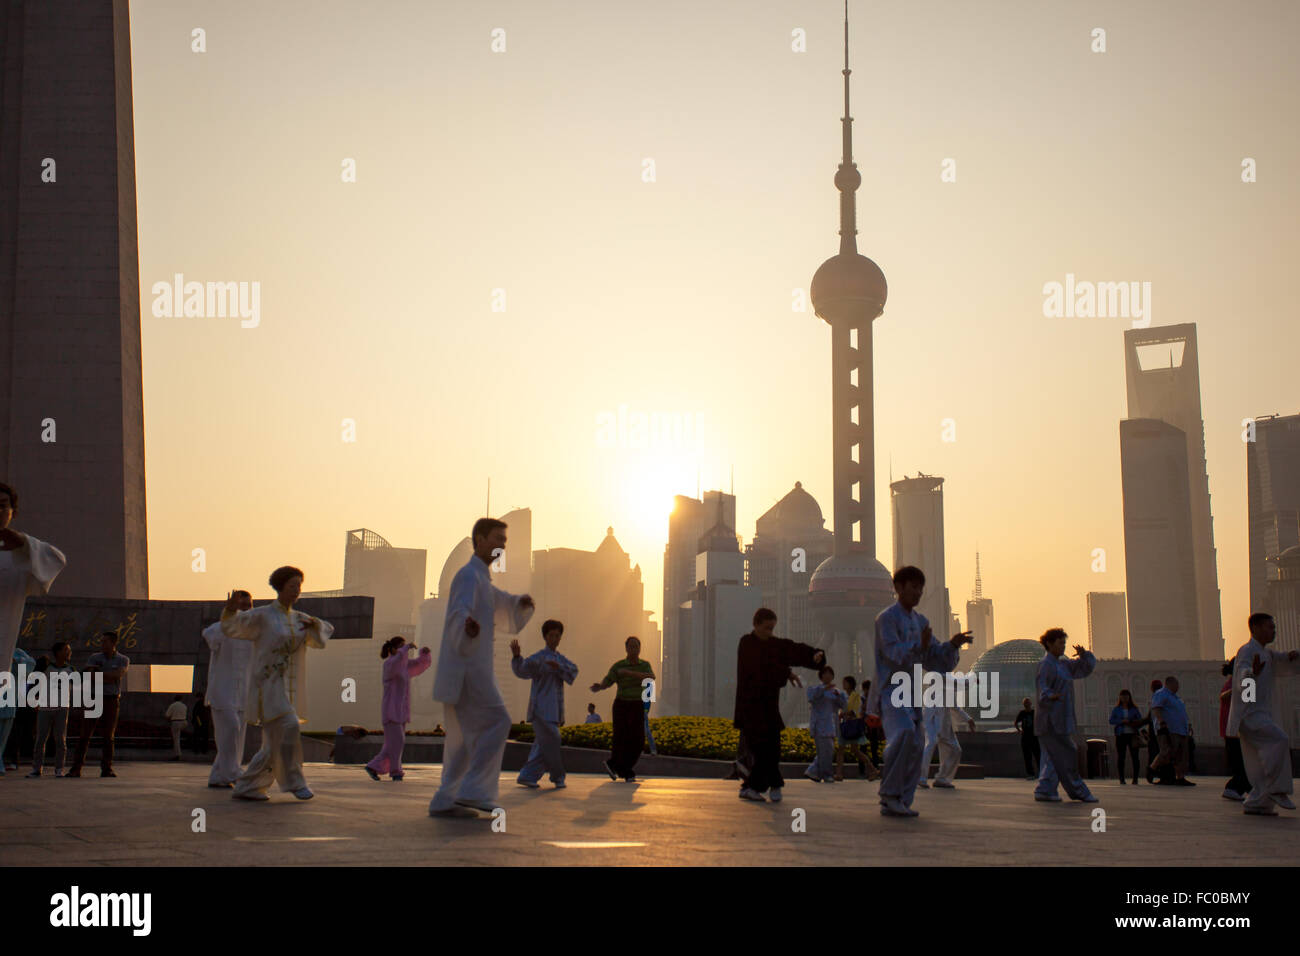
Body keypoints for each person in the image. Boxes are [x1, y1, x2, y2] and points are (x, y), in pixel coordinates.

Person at [429, 518, 534, 817]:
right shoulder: (467, 577)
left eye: (505, 539)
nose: (502, 544)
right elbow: (458, 611)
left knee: (462, 740)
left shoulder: (482, 579)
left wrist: (518, 602)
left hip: (474, 667)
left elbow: (499, 602)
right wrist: (467, 626)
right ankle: (473, 791)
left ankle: (445, 798)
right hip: (468, 668)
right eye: (498, 538)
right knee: (499, 720)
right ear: (480, 539)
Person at [221, 566, 334, 801]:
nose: (297, 590)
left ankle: (247, 786)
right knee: (290, 725)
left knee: (273, 744)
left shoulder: (299, 618)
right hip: (266, 686)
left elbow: (322, 636)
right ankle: (295, 782)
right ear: (280, 587)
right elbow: (234, 626)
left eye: (299, 586)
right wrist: (230, 611)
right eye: (292, 585)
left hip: (287, 687)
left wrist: (314, 625)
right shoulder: (263, 615)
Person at [874, 566, 973, 817]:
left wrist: (951, 644)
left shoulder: (921, 622)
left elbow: (936, 660)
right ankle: (890, 794)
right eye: (913, 587)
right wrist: (921, 645)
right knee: (904, 734)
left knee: (917, 744)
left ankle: (903, 799)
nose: (917, 592)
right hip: (890, 690)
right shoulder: (886, 619)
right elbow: (894, 653)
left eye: (920, 588)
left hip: (912, 692)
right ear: (898, 588)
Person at [732, 607, 824, 803]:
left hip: (769, 708)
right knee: (761, 750)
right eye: (766, 628)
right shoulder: (746, 643)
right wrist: (786, 673)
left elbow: (793, 649)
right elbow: (760, 667)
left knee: (773, 748)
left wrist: (814, 655)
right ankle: (765, 785)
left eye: (772, 628)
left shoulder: (775, 645)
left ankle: (760, 786)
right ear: (755, 625)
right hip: (751, 708)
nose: (769, 633)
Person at [1226, 612, 1300, 816]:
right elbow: (1243, 681)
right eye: (1270, 627)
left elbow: (1283, 660)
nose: (1273, 631)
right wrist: (1253, 675)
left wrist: (1292, 656)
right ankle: (1277, 788)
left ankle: (1259, 802)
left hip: (1260, 713)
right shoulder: (1248, 651)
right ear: (1256, 628)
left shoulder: (1266, 653)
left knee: (1259, 763)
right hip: (1250, 714)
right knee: (1279, 740)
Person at [0, 482, 67, 685]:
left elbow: (57, 560)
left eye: (3, 505)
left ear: (14, 511)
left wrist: (22, 541)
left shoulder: (20, 557)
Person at [510, 619, 577, 789]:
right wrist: (517, 657)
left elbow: (573, 672)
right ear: (545, 637)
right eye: (551, 635)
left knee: (542, 745)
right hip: (540, 708)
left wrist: (558, 667)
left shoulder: (560, 659)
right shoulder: (538, 658)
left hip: (555, 710)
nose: (555, 638)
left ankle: (527, 775)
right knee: (553, 739)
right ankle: (557, 776)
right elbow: (522, 670)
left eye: (557, 635)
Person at [1033, 628, 1097, 803]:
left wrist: (1084, 655)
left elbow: (1083, 669)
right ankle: (1078, 791)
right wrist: (1049, 697)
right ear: (1049, 643)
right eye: (1060, 643)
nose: (1063, 646)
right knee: (1067, 754)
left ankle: (1045, 790)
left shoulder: (1063, 664)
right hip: (1050, 721)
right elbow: (1042, 687)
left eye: (1064, 643)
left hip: (1061, 718)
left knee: (1052, 758)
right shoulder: (1046, 665)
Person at [204, 591, 255, 788]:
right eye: (240, 605)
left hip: (244, 693)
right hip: (222, 691)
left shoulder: (254, 633)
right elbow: (210, 638)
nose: (245, 610)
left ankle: (217, 776)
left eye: (248, 605)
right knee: (231, 729)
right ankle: (234, 772)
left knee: (235, 736)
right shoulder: (219, 629)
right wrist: (228, 613)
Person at [366, 636, 432, 782]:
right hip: (390, 711)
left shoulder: (405, 666)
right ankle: (396, 772)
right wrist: (406, 647)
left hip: (401, 711)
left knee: (392, 744)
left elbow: (420, 664)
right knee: (398, 741)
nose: (405, 650)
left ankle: (372, 766)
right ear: (395, 649)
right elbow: (396, 662)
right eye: (401, 647)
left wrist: (424, 653)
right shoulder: (389, 664)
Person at [590, 636, 655, 782]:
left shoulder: (644, 665)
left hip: (637, 704)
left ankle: (616, 765)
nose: (633, 649)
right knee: (620, 737)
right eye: (631, 647)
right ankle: (625, 771)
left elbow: (650, 678)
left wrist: (629, 673)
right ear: (626, 648)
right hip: (621, 704)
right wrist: (600, 686)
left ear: (640, 649)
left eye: (636, 647)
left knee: (638, 740)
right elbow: (608, 680)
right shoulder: (618, 666)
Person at [68, 632, 129, 778]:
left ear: (113, 643)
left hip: (111, 700)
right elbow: (90, 676)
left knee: (108, 736)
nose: (102, 644)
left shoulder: (123, 659)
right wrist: (107, 676)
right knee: (85, 734)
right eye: (101, 641)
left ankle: (106, 768)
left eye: (105, 641)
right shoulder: (94, 658)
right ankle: (76, 768)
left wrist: (100, 675)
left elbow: (117, 675)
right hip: (93, 698)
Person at [29, 642, 74, 777]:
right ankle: (37, 768)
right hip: (45, 707)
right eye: (66, 650)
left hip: (62, 707)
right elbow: (35, 681)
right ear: (58, 652)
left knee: (60, 739)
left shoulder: (71, 670)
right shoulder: (47, 667)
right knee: (41, 738)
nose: (69, 652)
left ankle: (59, 768)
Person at [804, 665, 846, 783]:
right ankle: (826, 774)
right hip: (820, 725)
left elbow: (843, 705)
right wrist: (824, 689)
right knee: (824, 751)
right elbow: (812, 697)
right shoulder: (815, 689)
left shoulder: (836, 692)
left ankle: (813, 771)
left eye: (829, 674)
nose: (827, 676)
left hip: (831, 725)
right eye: (825, 673)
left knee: (827, 751)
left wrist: (839, 697)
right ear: (821, 676)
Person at [1149, 675, 1193, 786]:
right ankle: (1151, 769)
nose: (1178, 687)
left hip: (1181, 730)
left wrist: (1188, 725)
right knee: (1166, 752)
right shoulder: (1161, 694)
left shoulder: (1176, 698)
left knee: (1181, 755)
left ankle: (1180, 777)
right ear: (1169, 683)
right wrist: (1161, 721)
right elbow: (1156, 708)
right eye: (1176, 684)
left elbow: (1181, 713)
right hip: (1169, 729)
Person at [834, 675, 879, 781]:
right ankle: (839, 774)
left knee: (855, 750)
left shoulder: (855, 696)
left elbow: (856, 711)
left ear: (850, 684)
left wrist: (845, 714)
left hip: (851, 726)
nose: (843, 684)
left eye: (845, 682)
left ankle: (872, 769)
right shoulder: (844, 695)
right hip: (845, 726)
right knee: (842, 750)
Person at [0, 646, 35, 774]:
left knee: (4, 734)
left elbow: (30, 666)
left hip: (9, 700)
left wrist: (16, 660)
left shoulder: (16, 652)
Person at [1219, 658, 1250, 801]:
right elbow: (1249, 700)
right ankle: (1234, 788)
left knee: (1244, 762)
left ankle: (1249, 789)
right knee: (1241, 762)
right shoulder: (1237, 681)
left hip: (1237, 728)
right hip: (1235, 730)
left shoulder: (1243, 680)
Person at [928, 704, 974, 789]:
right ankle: (938, 778)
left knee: (954, 750)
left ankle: (941, 778)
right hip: (937, 723)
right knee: (953, 749)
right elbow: (954, 706)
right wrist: (968, 719)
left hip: (942, 724)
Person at [1141, 680, 1174, 784]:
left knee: (1163, 752)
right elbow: (1151, 716)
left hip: (1158, 729)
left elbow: (1149, 717)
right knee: (1162, 752)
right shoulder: (1159, 697)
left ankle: (1162, 775)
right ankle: (1154, 771)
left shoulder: (1158, 697)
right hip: (1159, 729)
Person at [1109, 689, 1142, 785]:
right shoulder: (1116, 709)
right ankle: (1121, 778)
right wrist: (1121, 721)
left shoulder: (1134, 709)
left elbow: (1140, 720)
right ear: (1120, 697)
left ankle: (1135, 778)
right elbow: (1111, 720)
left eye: (1126, 696)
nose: (1124, 698)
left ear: (1129, 697)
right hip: (1121, 735)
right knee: (1121, 757)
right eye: (1122, 696)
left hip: (1133, 735)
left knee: (1135, 757)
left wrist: (1131, 722)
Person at [1013, 697, 1039, 779]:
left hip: (1034, 737)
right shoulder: (1022, 713)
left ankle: (1042, 773)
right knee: (1027, 757)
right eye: (1025, 703)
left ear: (1030, 704)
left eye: (1028, 703)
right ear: (1024, 705)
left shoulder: (1034, 712)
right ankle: (1031, 774)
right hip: (1025, 738)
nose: (1027, 704)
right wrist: (1019, 731)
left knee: (1038, 756)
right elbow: (1016, 723)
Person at [165, 695, 188, 760]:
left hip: (176, 722)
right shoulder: (184, 706)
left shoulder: (173, 705)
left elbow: (167, 715)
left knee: (176, 739)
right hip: (184, 722)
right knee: (179, 736)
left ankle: (177, 754)